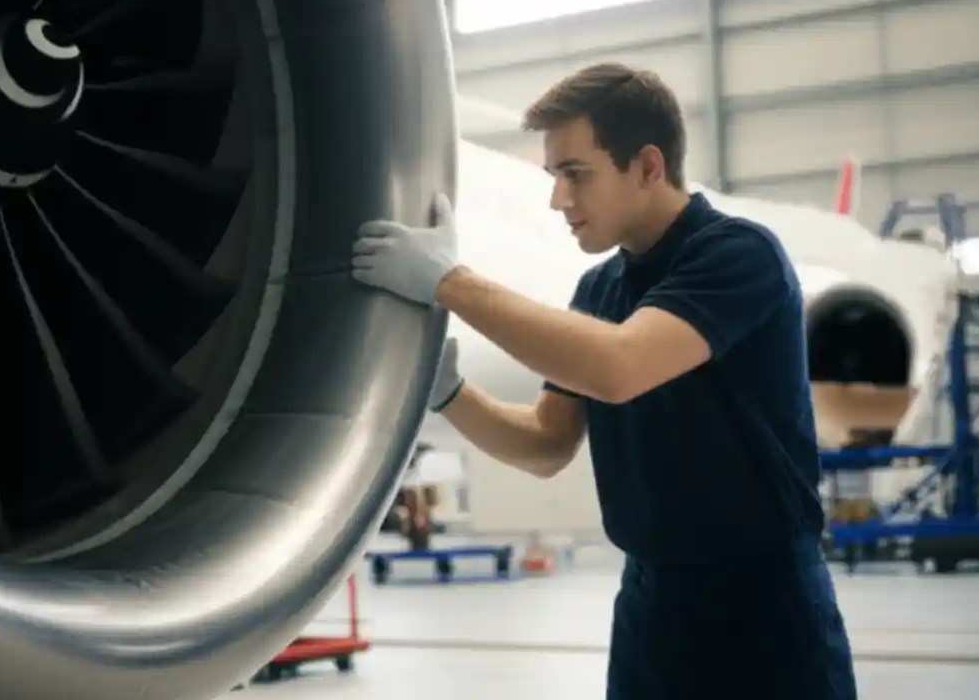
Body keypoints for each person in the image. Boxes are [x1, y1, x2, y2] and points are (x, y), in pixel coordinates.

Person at [350, 62, 857, 699]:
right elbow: (545, 444)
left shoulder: (739, 256)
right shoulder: (599, 289)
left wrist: (450, 282)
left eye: (575, 174)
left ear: (647, 166)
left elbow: (620, 368)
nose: (558, 199)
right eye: (553, 176)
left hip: (763, 609)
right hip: (650, 604)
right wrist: (448, 393)